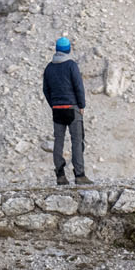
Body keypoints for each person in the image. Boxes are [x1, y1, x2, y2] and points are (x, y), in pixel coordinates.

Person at [42, 36, 90, 185]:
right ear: (68, 49)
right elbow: (78, 87)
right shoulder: (71, 65)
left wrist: (53, 104)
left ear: (57, 49)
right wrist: (81, 105)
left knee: (59, 141)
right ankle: (80, 175)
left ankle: (60, 175)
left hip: (57, 109)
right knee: (77, 140)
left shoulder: (49, 67)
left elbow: (46, 90)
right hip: (72, 108)